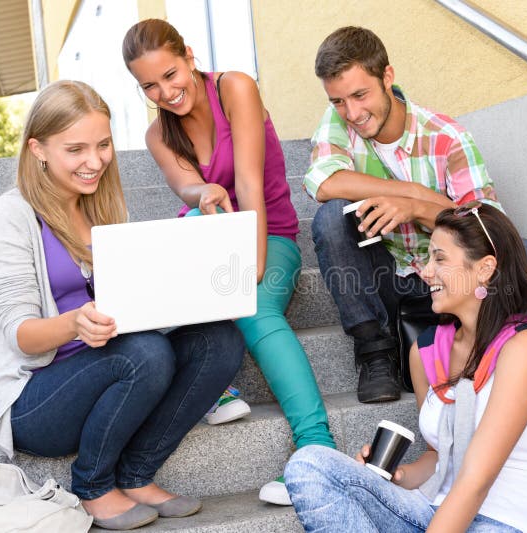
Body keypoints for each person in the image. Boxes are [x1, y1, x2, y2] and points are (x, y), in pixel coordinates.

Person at [0, 80, 246, 530]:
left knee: (219, 340)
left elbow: (137, 302)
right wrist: (74, 324)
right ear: (38, 149)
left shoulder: (106, 207)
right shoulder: (10, 216)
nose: (94, 161)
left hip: (114, 369)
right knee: (144, 353)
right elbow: (21, 336)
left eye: (103, 145)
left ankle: (137, 474)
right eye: (76, 149)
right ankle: (93, 485)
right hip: (37, 399)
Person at [121, 18, 337, 506]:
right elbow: (186, 188)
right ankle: (213, 386)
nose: (166, 92)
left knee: (255, 308)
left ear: (190, 57)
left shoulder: (235, 87)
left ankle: (318, 446)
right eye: (150, 86)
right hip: (208, 239)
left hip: (271, 233)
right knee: (148, 274)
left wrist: (253, 263)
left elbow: (250, 181)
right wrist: (202, 191)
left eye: (171, 75)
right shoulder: (158, 134)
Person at [285, 202, 527, 532]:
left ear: (484, 268)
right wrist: (399, 476)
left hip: (508, 520)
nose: (425, 271)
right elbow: (440, 456)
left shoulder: (525, 347)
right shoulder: (426, 350)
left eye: (440, 258)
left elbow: (475, 481)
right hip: (435, 510)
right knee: (310, 465)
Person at [305, 26, 527, 404]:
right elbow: (322, 183)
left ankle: (520, 362)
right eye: (338, 101)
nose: (351, 112)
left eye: (360, 95)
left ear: (387, 76)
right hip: (387, 279)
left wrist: (418, 208)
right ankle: (375, 352)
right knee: (332, 217)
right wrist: (408, 191)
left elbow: (490, 228)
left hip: (450, 277)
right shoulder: (337, 120)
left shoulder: (446, 136)